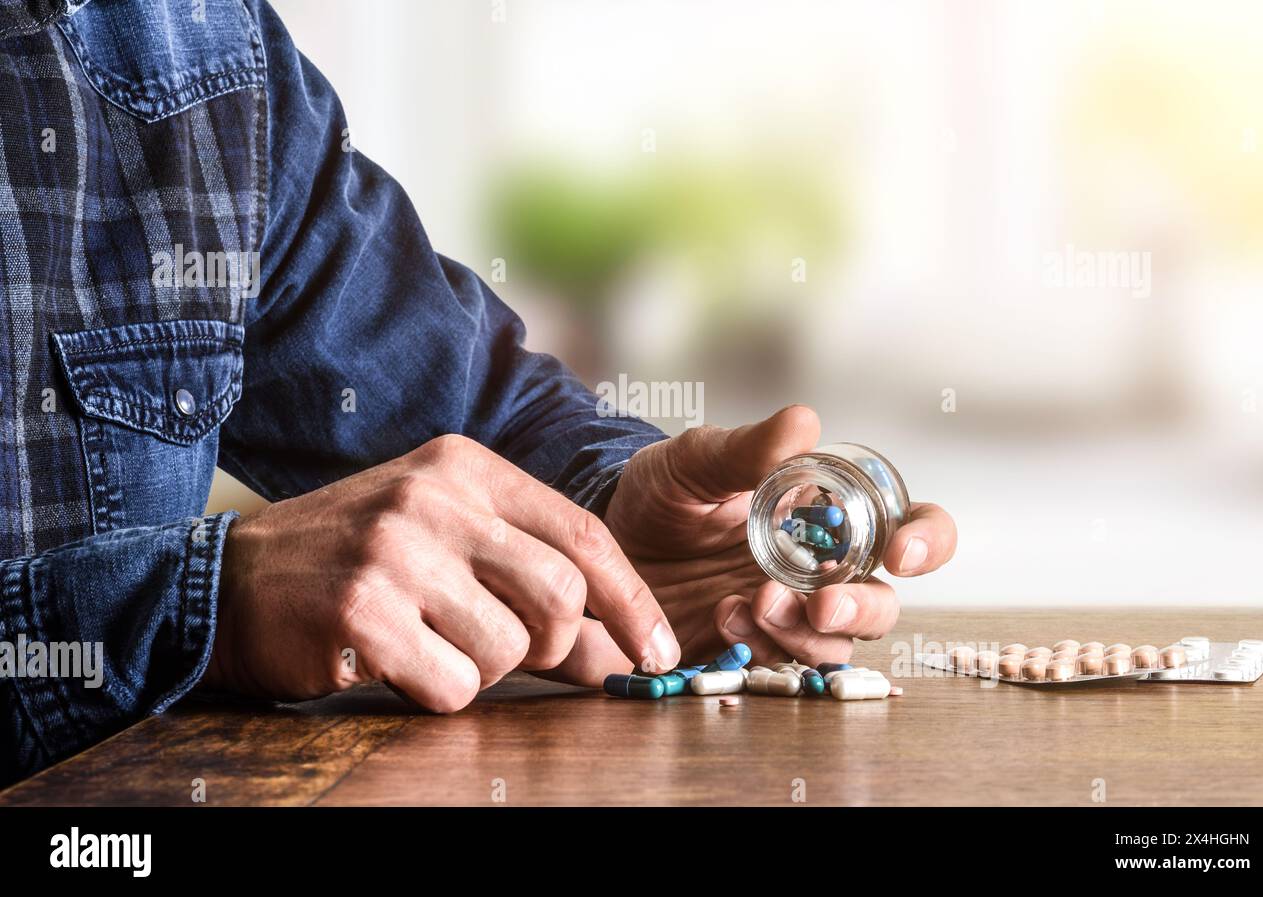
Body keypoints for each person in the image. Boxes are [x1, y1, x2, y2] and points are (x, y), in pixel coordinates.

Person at [0, 0, 955, 787]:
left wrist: (606, 517)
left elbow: (455, 395)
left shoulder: (195, 41)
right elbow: (216, 606)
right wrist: (208, 610)